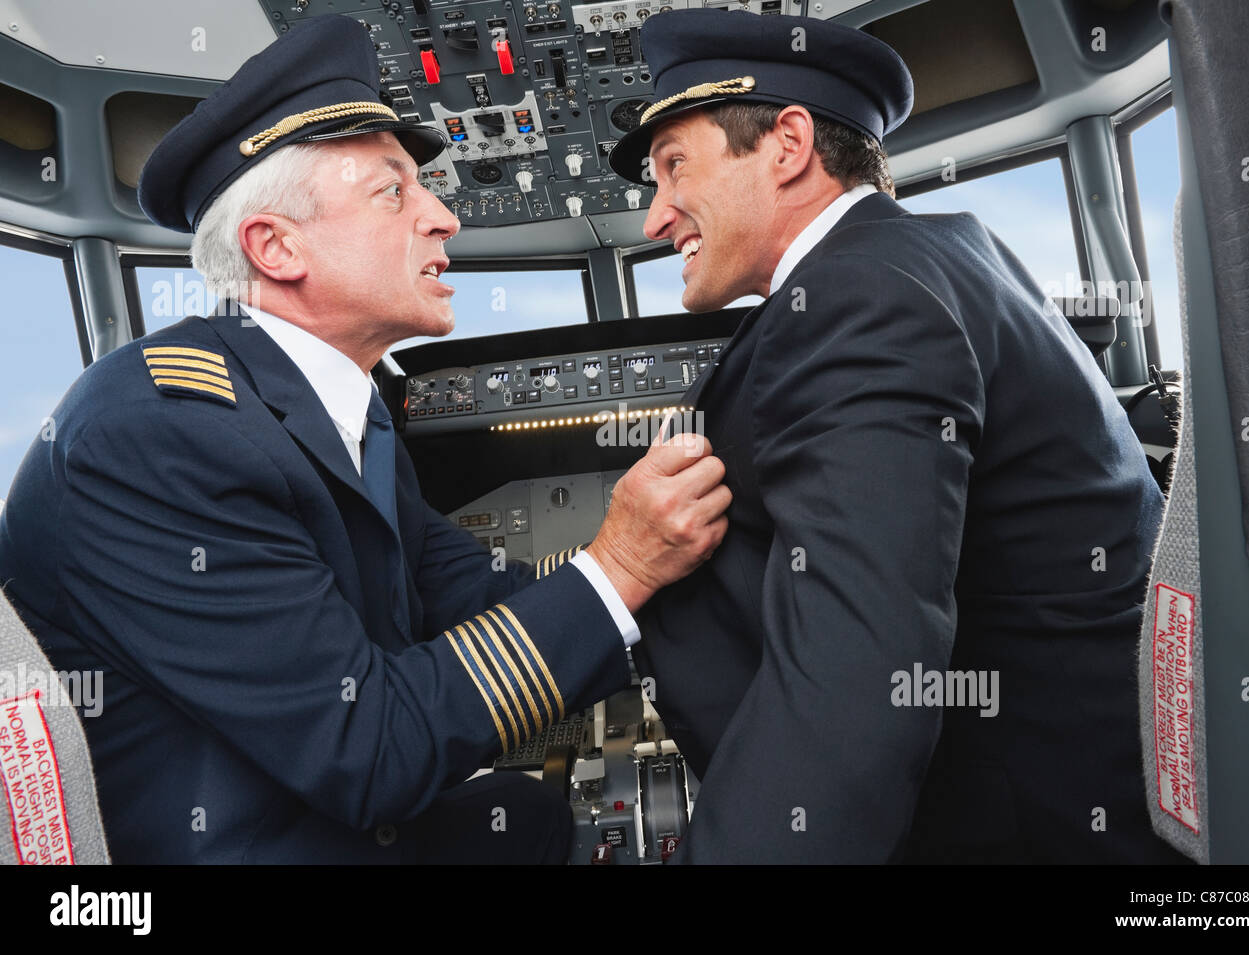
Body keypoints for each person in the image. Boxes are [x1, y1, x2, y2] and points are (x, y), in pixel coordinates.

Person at [0, 15, 730, 863]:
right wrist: (626, 563)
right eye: (395, 191)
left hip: (322, 811)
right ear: (275, 247)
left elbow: (461, 589)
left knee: (531, 816)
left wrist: (689, 605)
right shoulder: (157, 432)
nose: (444, 218)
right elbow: (370, 748)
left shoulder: (343, 407)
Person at [607, 9, 1189, 864]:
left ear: (787, 143)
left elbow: (860, 682)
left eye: (672, 168)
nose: (655, 219)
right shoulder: (946, 255)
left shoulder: (859, 300)